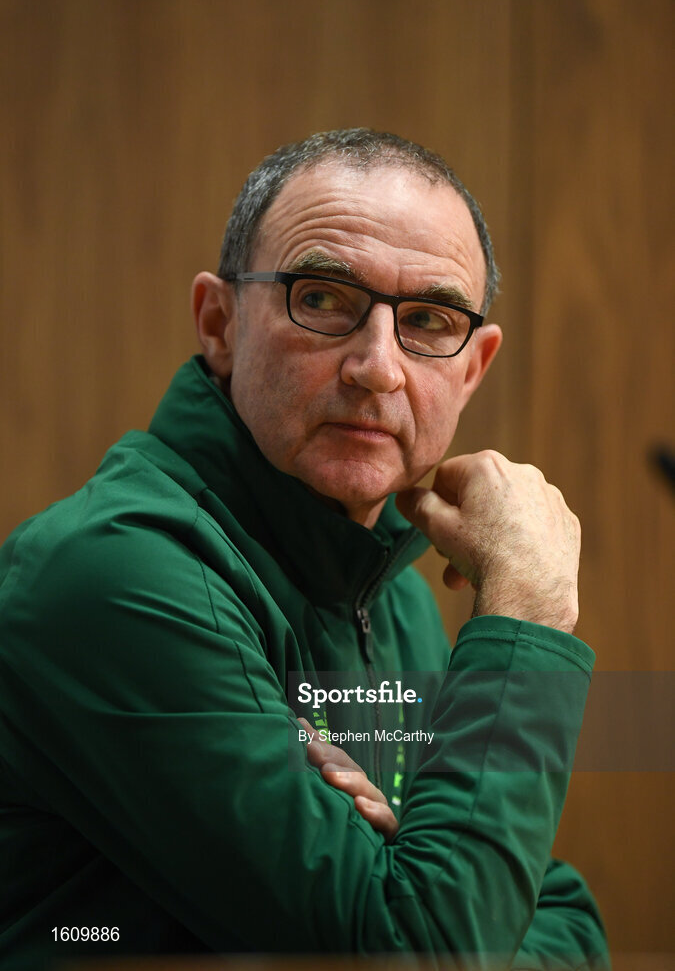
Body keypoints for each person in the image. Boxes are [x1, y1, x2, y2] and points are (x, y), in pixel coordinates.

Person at [0, 129, 610, 969]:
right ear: (219, 322)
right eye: (321, 299)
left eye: (429, 320)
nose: (377, 367)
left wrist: (414, 891)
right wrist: (527, 610)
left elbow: (567, 921)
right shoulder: (113, 575)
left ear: (473, 368)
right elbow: (429, 946)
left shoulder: (383, 586)